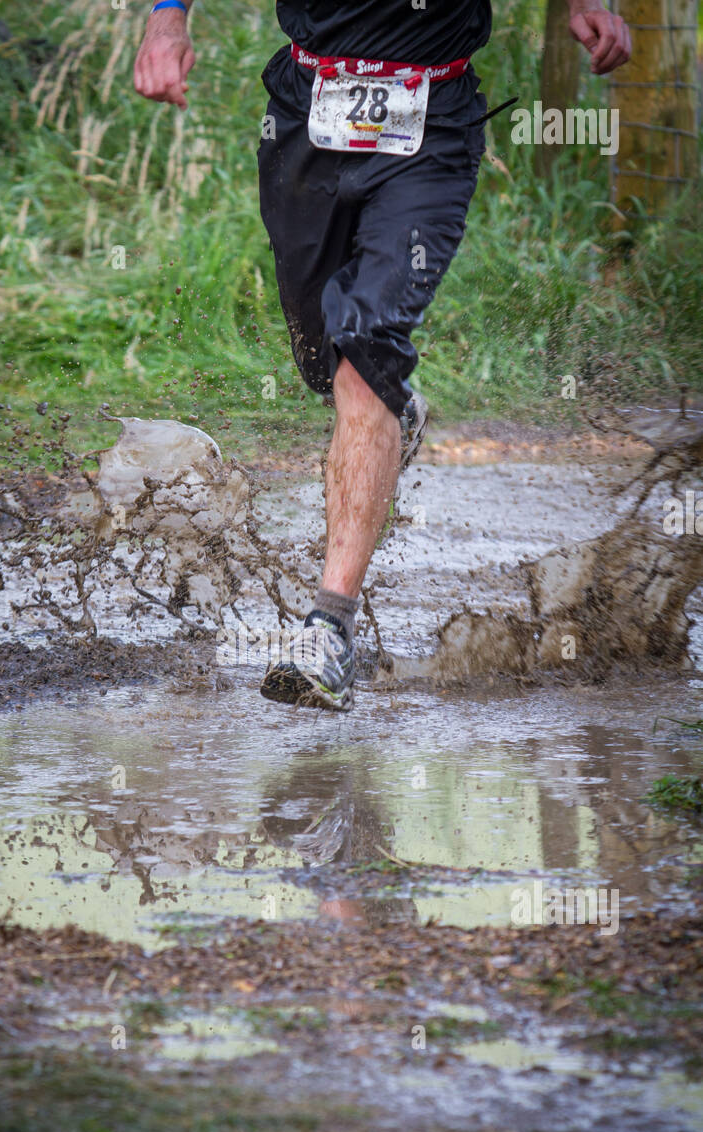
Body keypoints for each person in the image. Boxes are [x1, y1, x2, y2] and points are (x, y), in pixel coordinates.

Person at [134, 1, 631, 710]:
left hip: (431, 121)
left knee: (366, 347)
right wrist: (167, 17)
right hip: (307, 114)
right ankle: (391, 413)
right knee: (322, 360)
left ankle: (328, 628)